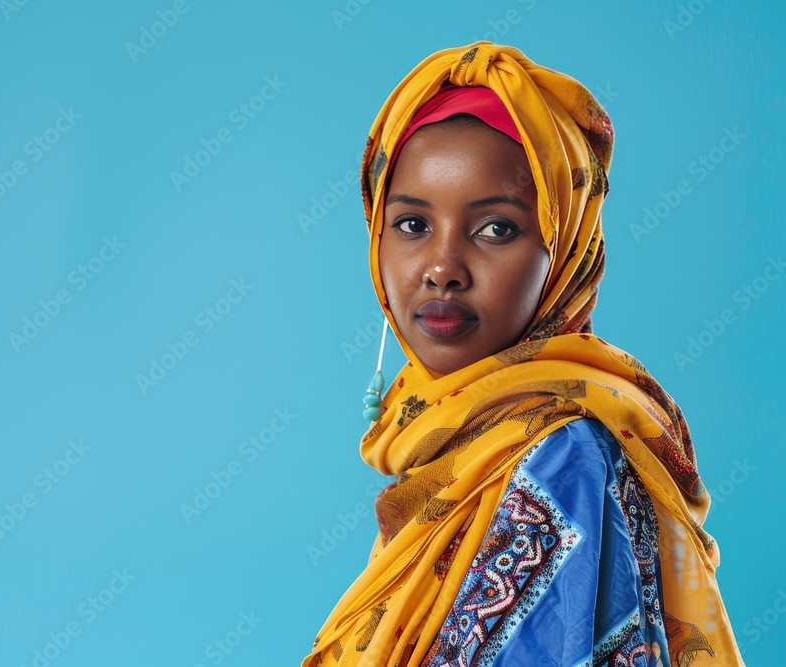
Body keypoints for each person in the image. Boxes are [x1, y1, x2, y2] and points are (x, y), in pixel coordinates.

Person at [301, 42, 744, 667]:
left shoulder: (568, 458)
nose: (442, 268)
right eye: (411, 225)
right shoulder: (439, 437)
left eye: (495, 229)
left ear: (563, 254)